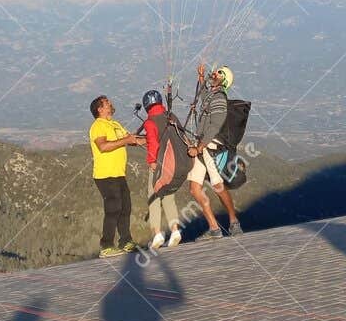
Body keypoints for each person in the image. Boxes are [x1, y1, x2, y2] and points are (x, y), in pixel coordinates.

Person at [183, 64, 243, 238]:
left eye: (217, 73)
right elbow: (204, 97)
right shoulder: (212, 95)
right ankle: (214, 228)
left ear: (223, 79)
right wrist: (201, 78)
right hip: (201, 146)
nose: (213, 73)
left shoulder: (219, 98)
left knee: (217, 186)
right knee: (195, 188)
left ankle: (234, 222)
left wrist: (199, 147)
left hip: (209, 148)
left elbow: (215, 125)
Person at [88, 96, 143, 258]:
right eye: (107, 103)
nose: (111, 104)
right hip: (105, 174)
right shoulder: (98, 126)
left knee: (125, 207)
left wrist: (151, 138)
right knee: (113, 208)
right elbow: (103, 146)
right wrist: (126, 139)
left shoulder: (115, 124)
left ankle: (125, 241)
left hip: (119, 173)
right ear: (100, 109)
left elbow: (131, 140)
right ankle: (106, 245)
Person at [140, 90, 184, 250]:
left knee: (153, 197)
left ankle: (157, 234)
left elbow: (153, 142)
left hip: (159, 164)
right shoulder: (171, 117)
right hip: (174, 163)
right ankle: (175, 230)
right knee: (168, 197)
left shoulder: (150, 122)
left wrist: (152, 161)